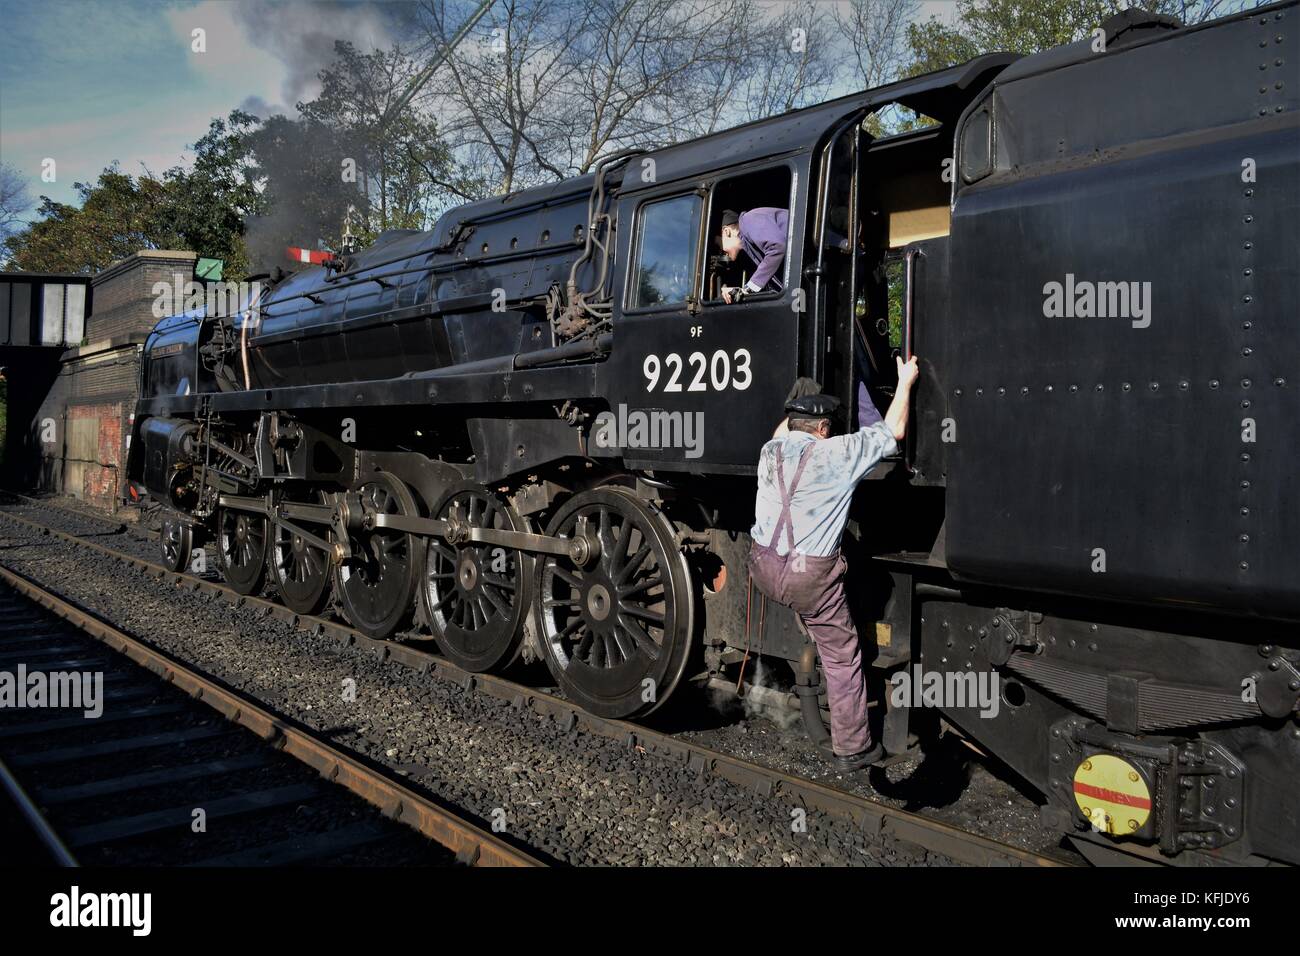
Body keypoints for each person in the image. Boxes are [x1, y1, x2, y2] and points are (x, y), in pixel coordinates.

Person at [747, 354, 920, 771]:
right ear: (824, 430)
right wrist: (906, 382)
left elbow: (783, 428)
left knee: (810, 605)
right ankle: (853, 747)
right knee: (843, 654)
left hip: (764, 568)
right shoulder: (838, 453)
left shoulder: (769, 451)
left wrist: (796, 403)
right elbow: (893, 430)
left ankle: (808, 625)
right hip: (809, 579)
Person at [718, 208, 788, 303]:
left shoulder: (749, 220)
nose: (720, 252)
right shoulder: (748, 243)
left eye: (719, 246)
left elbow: (777, 247)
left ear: (726, 231)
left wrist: (748, 289)